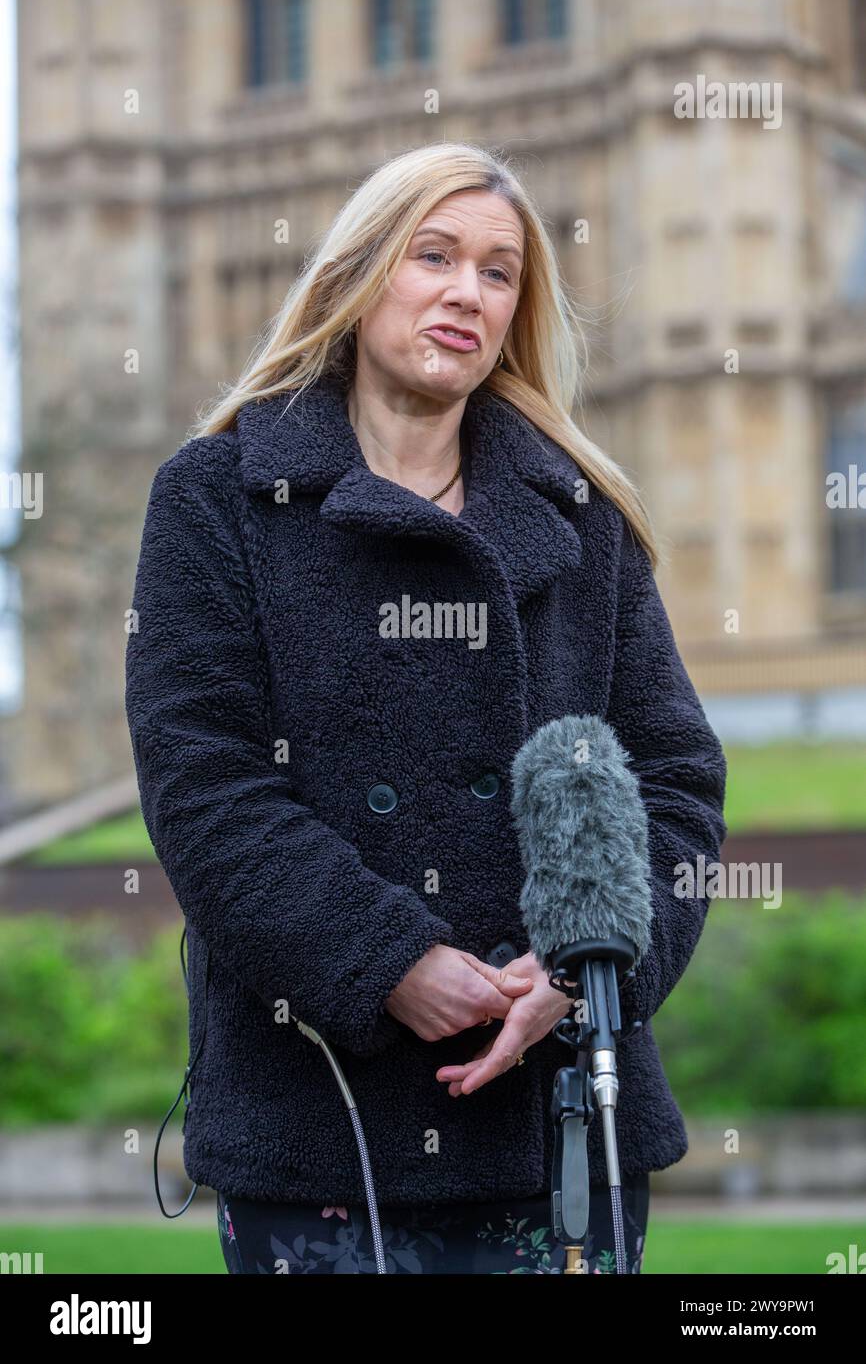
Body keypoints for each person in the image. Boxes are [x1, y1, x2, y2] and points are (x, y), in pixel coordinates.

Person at [125, 142, 727, 1275]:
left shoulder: (581, 518)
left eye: (499, 273)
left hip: (557, 1124)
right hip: (319, 1125)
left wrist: (580, 968)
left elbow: (677, 780)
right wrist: (386, 954)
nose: (467, 292)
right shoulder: (216, 497)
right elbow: (201, 781)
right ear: (358, 277)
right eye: (433, 255)